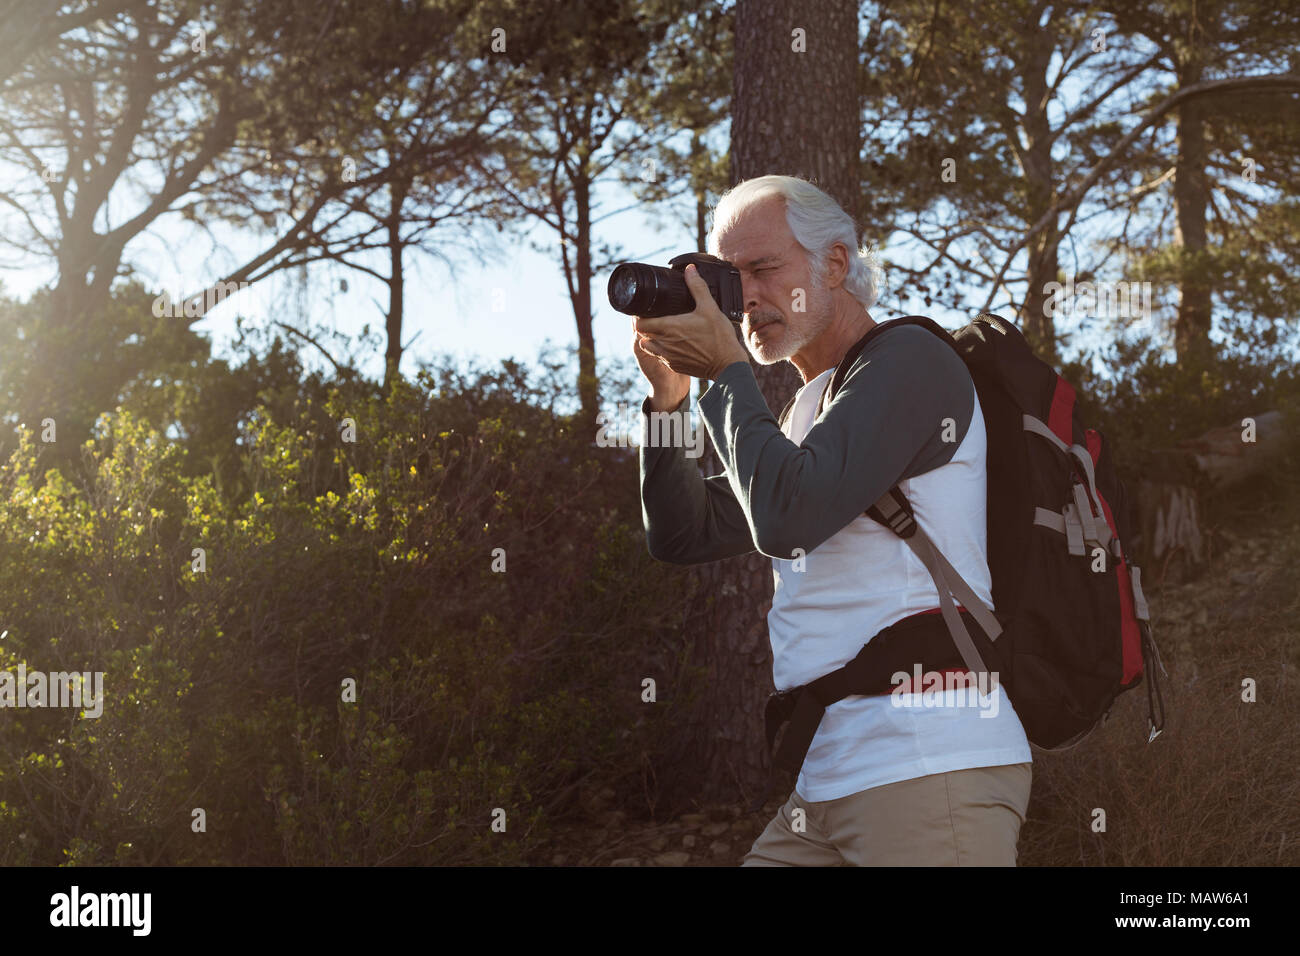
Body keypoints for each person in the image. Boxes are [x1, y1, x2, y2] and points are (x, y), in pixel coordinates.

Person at [631, 174, 1032, 866]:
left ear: (836, 264)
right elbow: (682, 534)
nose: (745, 297)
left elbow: (788, 516)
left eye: (763, 269)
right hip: (826, 782)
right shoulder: (802, 416)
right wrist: (670, 404)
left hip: (927, 766)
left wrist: (727, 372)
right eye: (731, 278)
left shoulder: (911, 361)